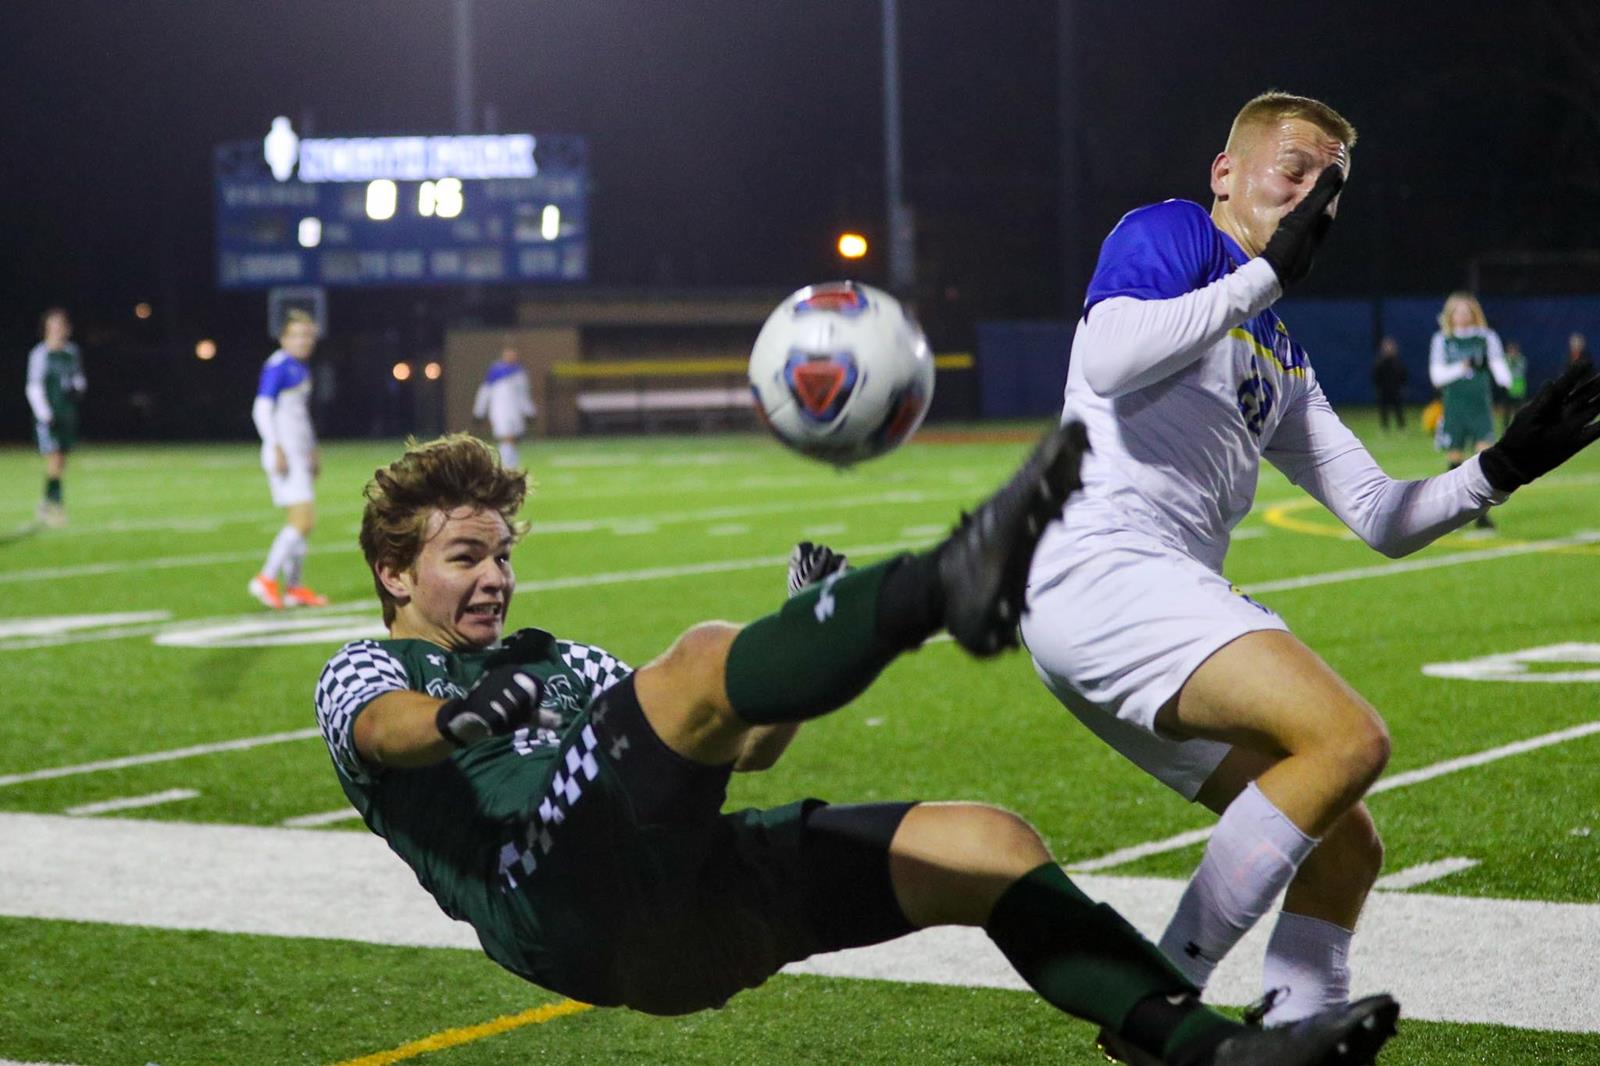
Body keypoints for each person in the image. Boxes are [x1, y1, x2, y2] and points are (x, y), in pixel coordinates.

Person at [311, 431, 1399, 1066]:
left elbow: (745, 751)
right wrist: (466, 714)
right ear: (397, 574)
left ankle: (1206, 1046)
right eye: (465, 556)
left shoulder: (556, 656)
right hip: (553, 894)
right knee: (697, 655)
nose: (494, 577)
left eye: (500, 553)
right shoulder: (371, 671)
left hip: (678, 916)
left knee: (982, 844)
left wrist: (801, 623)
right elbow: (384, 734)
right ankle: (942, 579)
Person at [1008, 89, 1600, 1052]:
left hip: (1139, 595)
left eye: (1330, 185)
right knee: (1348, 739)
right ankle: (1156, 1004)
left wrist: (1500, 469)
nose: (1310, 197)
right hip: (1097, 565)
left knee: (1347, 843)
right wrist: (1257, 282)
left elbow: (1378, 517)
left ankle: (1299, 1027)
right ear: (1226, 174)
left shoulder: (1279, 347)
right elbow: (1110, 358)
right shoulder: (1173, 235)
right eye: (1294, 169)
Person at [248, 310, 328, 609]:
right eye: (296, 335)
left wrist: (312, 448)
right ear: (283, 338)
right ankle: (266, 578)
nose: (304, 340)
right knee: (303, 520)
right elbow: (261, 409)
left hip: (298, 454)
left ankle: (294, 588)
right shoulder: (279, 366)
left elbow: (299, 416)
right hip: (285, 456)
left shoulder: (300, 368)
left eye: (308, 334)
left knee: (302, 523)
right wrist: (275, 446)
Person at [1428, 292, 1511, 529]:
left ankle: (1481, 515)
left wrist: (1507, 381)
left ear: (1474, 314)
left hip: (1480, 406)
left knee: (1482, 461)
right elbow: (1437, 376)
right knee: (1455, 460)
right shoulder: (1442, 340)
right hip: (1455, 406)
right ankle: (1453, 514)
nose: (1462, 316)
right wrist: (1462, 367)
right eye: (1457, 312)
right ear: (1450, 316)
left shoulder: (1486, 337)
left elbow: (1498, 364)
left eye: (1467, 311)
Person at [24, 308, 85, 528]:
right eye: (54, 327)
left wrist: (77, 387)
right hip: (48, 417)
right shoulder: (40, 354)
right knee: (55, 458)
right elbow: (33, 387)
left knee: (60, 461)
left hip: (67, 413)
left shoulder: (71, 352)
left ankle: (45, 502)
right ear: (47, 329)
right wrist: (44, 413)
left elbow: (78, 377)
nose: (59, 331)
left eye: (62, 327)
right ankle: (57, 507)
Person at [473, 345, 537, 469]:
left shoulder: (520, 372)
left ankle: (512, 464)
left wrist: (529, 411)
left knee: (513, 439)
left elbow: (524, 395)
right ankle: (505, 465)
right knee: (505, 437)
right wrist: (479, 411)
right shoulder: (495, 371)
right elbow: (485, 392)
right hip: (500, 410)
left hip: (515, 412)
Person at [1371, 336, 1406, 431]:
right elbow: (1375, 375)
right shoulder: (1380, 362)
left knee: (1398, 409)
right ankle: (1384, 427)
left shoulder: (1397, 361)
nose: (1389, 349)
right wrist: (1378, 387)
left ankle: (1401, 427)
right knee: (1383, 409)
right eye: (1387, 347)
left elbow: (1403, 374)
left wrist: (1401, 386)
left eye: (1391, 347)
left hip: (1395, 389)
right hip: (1383, 390)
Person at [1500, 340, 1528, 428]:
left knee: (1518, 411)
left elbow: (1519, 372)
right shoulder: (1505, 360)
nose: (1512, 352)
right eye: (1510, 350)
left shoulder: (1521, 360)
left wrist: (1512, 362)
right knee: (1506, 412)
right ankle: (1505, 428)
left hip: (1519, 390)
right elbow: (1502, 371)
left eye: (1513, 350)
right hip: (1508, 389)